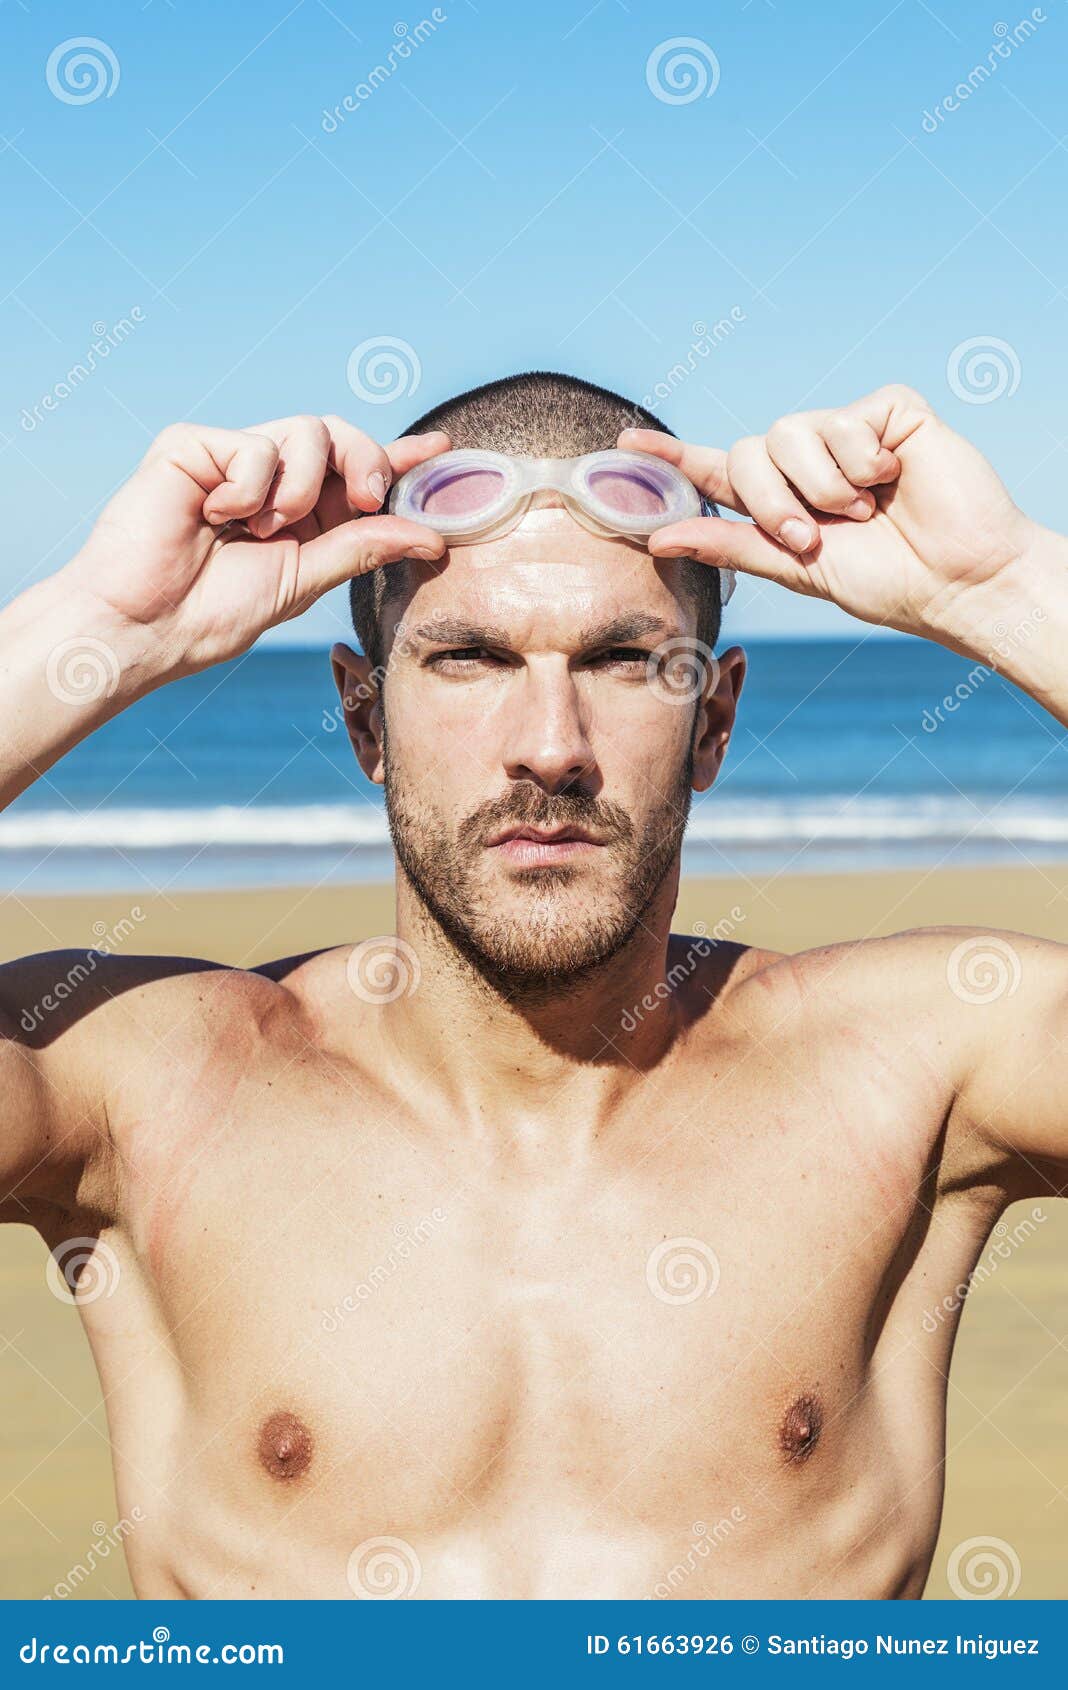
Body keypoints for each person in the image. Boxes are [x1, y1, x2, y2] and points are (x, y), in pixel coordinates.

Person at [0, 371, 1064, 1600]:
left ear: (713, 723)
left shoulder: (911, 1068)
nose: (550, 745)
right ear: (364, 719)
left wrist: (1003, 588)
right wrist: (106, 627)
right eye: (468, 657)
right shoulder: (152, 1090)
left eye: (621, 660)